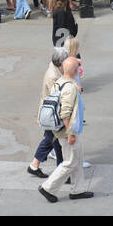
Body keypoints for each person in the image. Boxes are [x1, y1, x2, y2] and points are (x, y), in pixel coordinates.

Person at [39, 56, 91, 203]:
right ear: (75, 71)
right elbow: (65, 113)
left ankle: (78, 190)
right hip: (69, 130)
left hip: (71, 129)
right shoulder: (69, 88)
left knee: (77, 158)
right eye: (78, 69)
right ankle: (48, 187)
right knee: (70, 161)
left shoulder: (61, 82)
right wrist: (70, 134)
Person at [26, 43, 75, 178]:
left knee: (50, 139)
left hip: (49, 113)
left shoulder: (54, 66)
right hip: (52, 114)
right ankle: (60, 173)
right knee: (55, 141)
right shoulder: (54, 76)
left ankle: (35, 165)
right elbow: (61, 95)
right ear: (61, 63)